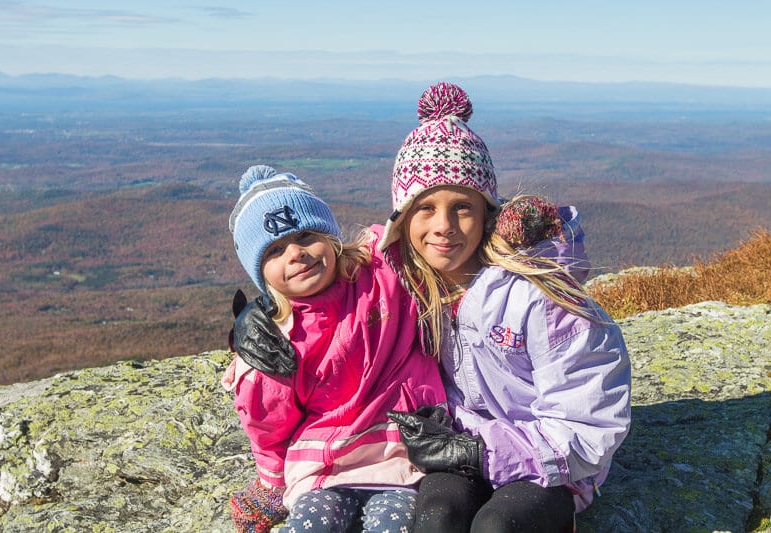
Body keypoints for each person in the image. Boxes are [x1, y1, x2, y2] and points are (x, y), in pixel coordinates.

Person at [380, 82, 632, 533]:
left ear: (487, 213)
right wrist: (274, 315)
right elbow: (336, 293)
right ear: (402, 219)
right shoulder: (409, 282)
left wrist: (481, 451)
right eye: (424, 208)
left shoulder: (542, 296)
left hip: (554, 465)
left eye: (462, 207)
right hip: (458, 446)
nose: (443, 227)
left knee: (498, 527)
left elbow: (588, 423)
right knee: (437, 519)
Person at [221, 164, 446, 533]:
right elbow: (268, 420)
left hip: (399, 457)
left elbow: (425, 234)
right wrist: (272, 482)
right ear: (260, 273)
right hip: (324, 466)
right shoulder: (274, 341)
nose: (296, 253)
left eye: (307, 235)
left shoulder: (382, 274)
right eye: (275, 250)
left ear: (331, 238)